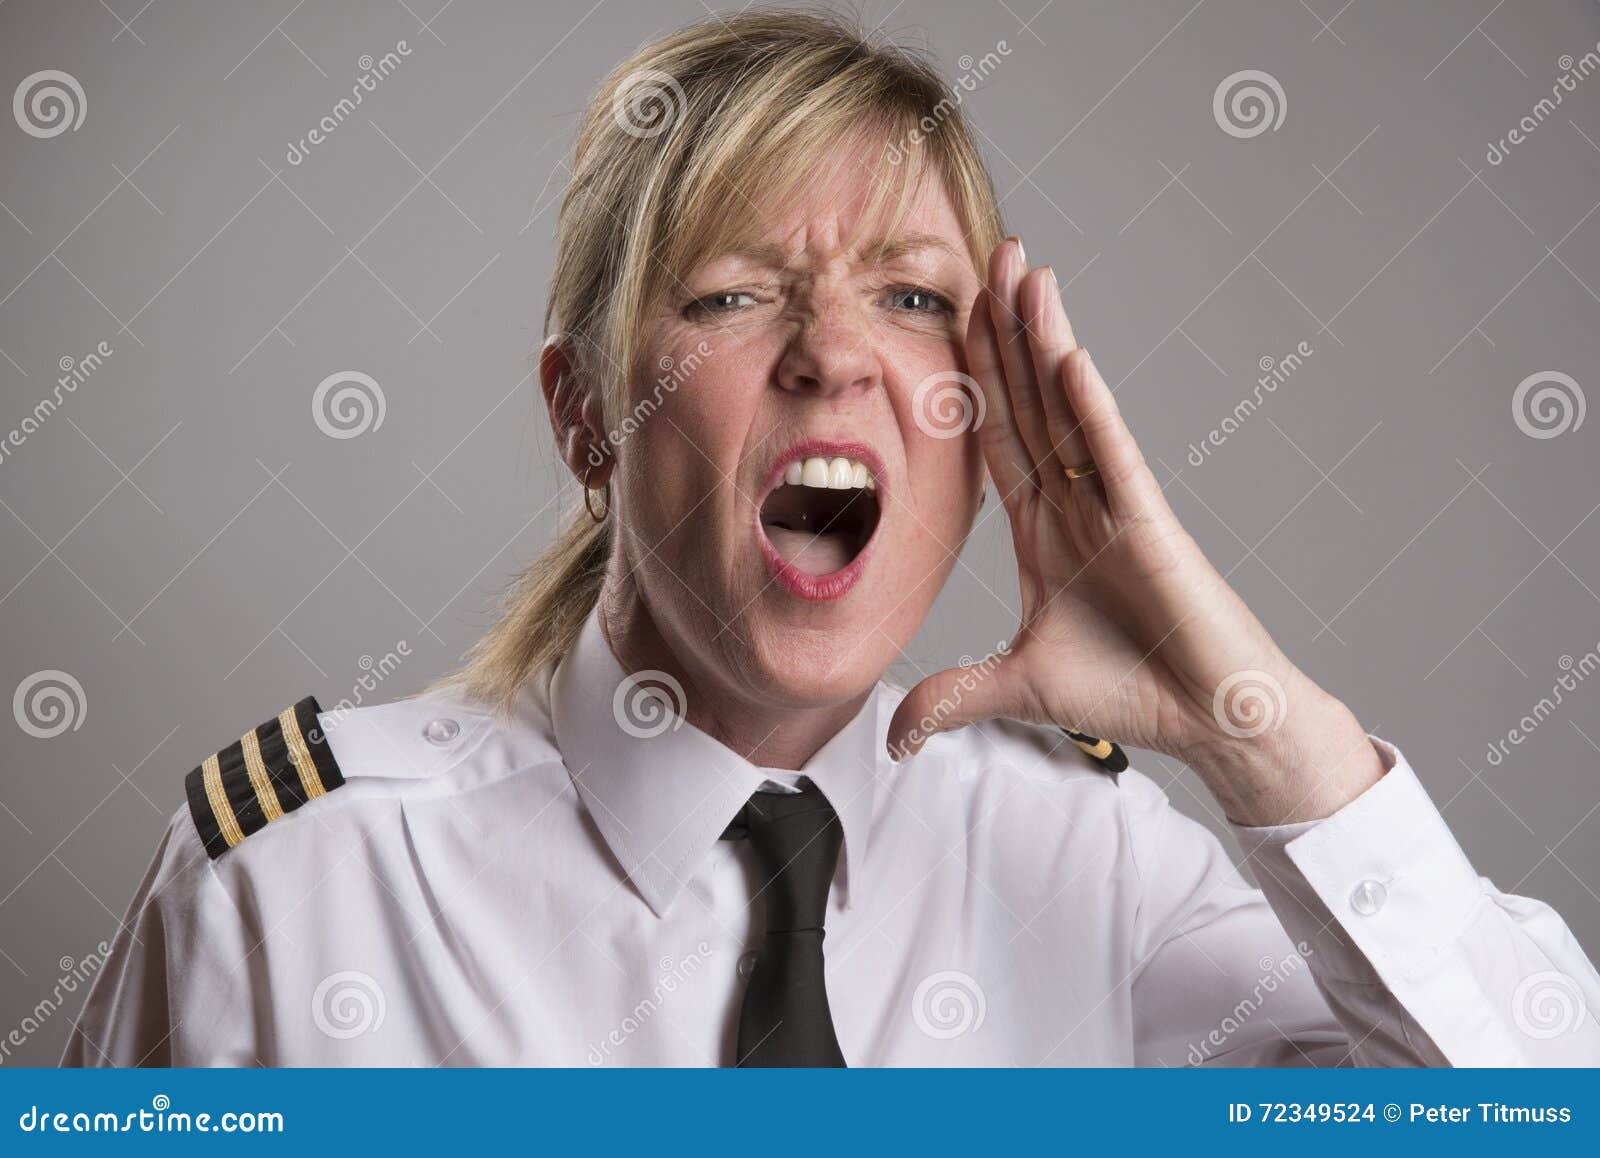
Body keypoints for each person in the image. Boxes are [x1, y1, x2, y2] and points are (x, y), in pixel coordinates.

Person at [64, 9, 1599, 1067]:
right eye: (733, 294)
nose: (833, 354)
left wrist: (1255, 726)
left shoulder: (1098, 862)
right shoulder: (294, 878)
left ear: (981, 416)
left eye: (915, 298)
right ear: (587, 418)